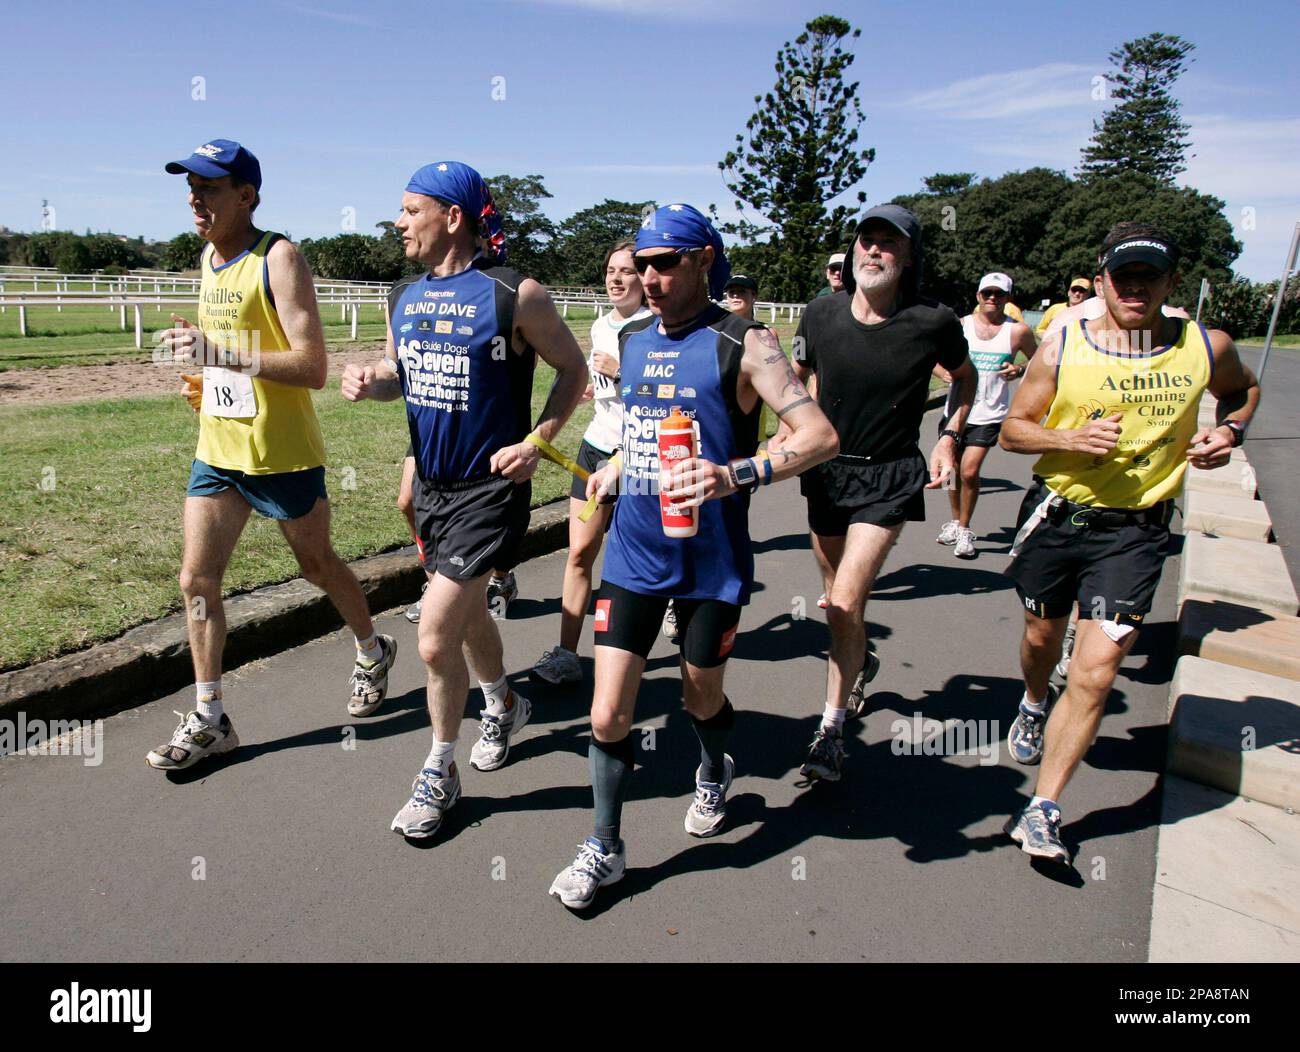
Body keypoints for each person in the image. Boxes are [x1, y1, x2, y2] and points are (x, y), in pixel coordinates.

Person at [548, 204, 839, 909]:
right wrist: (619, 464)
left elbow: (819, 435)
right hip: (635, 553)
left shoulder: (745, 343)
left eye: (665, 262)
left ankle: (714, 763)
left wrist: (735, 474)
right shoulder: (636, 339)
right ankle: (605, 847)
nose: (649, 277)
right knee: (608, 712)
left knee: (697, 696)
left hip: (712, 563)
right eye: (641, 263)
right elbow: (641, 426)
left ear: (704, 261)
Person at [341, 161, 587, 839]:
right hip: (432, 489)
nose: (398, 222)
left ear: (453, 217)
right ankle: (503, 700)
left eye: (410, 209)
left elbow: (575, 369)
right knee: (467, 605)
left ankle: (438, 769)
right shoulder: (403, 295)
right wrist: (372, 380)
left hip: (489, 490)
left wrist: (539, 440)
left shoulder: (515, 294)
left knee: (431, 637)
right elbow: (401, 376)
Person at [1000, 223, 1260, 864]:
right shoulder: (1065, 347)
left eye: (1151, 276)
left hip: (1137, 531)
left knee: (1095, 672)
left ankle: (1043, 809)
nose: (1136, 288)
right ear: (1104, 279)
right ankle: (1034, 701)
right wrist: (1068, 440)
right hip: (1059, 518)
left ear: (1175, 283)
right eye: (1124, 276)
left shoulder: (1207, 346)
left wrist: (1229, 433)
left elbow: (1243, 392)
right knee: (1040, 638)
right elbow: (1013, 430)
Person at [147, 139, 397, 772]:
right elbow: (224, 353)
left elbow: (312, 367)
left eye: (207, 187)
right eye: (191, 186)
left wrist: (219, 354)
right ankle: (211, 716)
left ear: (246, 196)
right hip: (219, 450)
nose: (194, 198)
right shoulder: (206, 258)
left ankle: (372, 646)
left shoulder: (277, 257)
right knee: (196, 581)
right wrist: (199, 378)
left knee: (316, 566)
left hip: (282, 453)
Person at [784, 203, 977, 781]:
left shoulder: (933, 321)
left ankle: (830, 732)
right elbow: (799, 379)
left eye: (887, 243)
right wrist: (789, 430)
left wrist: (948, 438)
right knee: (839, 602)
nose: (872, 250)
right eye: (865, 240)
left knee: (843, 602)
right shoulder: (819, 314)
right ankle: (860, 656)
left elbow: (964, 379)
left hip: (890, 475)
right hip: (827, 472)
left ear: (909, 257)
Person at [531, 240, 651, 685]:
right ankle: (567, 653)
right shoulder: (601, 324)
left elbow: (667, 392)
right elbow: (603, 388)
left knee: (637, 558)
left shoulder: (655, 327)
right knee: (580, 551)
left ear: (644, 279)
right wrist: (595, 386)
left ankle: (632, 652)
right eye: (610, 270)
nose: (617, 279)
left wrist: (621, 372)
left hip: (639, 456)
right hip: (596, 446)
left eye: (627, 271)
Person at [934, 272, 1037, 558]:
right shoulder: (960, 326)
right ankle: (955, 520)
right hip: (955, 411)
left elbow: (1039, 362)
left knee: (969, 470)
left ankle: (966, 529)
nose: (992, 298)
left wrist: (1018, 370)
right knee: (950, 473)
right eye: (987, 293)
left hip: (990, 412)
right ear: (978, 295)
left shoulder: (1017, 332)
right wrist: (942, 371)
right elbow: (934, 355)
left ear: (1007, 298)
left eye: (999, 294)